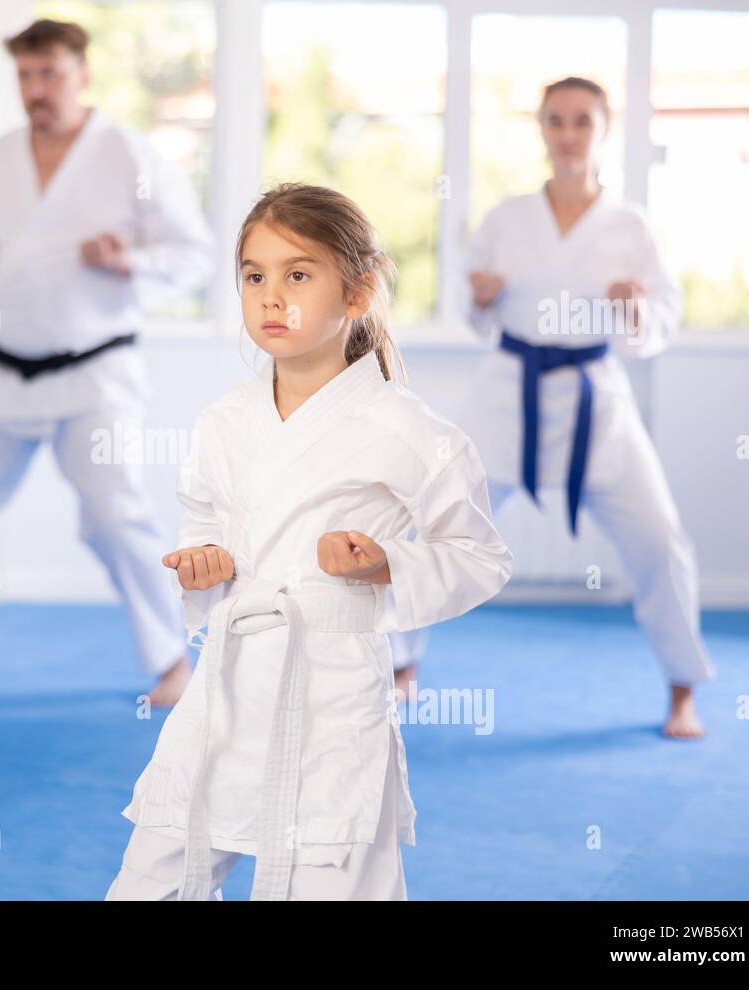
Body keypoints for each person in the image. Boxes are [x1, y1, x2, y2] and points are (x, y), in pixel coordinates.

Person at [105, 184, 513, 900]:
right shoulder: (222, 420)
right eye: (254, 275)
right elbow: (203, 521)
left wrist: (391, 563)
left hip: (334, 697)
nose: (271, 295)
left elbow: (481, 556)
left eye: (298, 275)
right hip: (227, 690)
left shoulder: (410, 430)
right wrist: (204, 563)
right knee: (151, 880)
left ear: (356, 295)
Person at [0, 19, 214, 706]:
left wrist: (127, 259)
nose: (36, 90)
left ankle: (172, 659)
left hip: (93, 372)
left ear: (83, 76)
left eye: (50, 74)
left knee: (114, 515)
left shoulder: (128, 156)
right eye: (26, 76)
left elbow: (196, 254)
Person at [393, 77, 714, 738]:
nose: (568, 135)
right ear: (541, 129)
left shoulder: (629, 226)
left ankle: (683, 686)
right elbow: (469, 308)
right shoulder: (507, 218)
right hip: (510, 389)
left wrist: (635, 307)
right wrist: (481, 297)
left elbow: (663, 321)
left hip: (597, 397)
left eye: (582, 122)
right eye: (556, 121)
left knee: (661, 539)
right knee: (436, 521)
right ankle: (400, 664)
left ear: (603, 130)